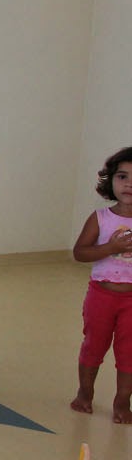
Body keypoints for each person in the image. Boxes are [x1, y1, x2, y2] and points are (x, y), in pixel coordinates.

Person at [70, 146, 132, 423]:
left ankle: (122, 401)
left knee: (129, 353)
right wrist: (111, 247)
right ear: (111, 181)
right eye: (122, 176)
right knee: (93, 346)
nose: (129, 184)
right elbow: (80, 253)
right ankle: (85, 392)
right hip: (101, 296)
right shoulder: (101, 218)